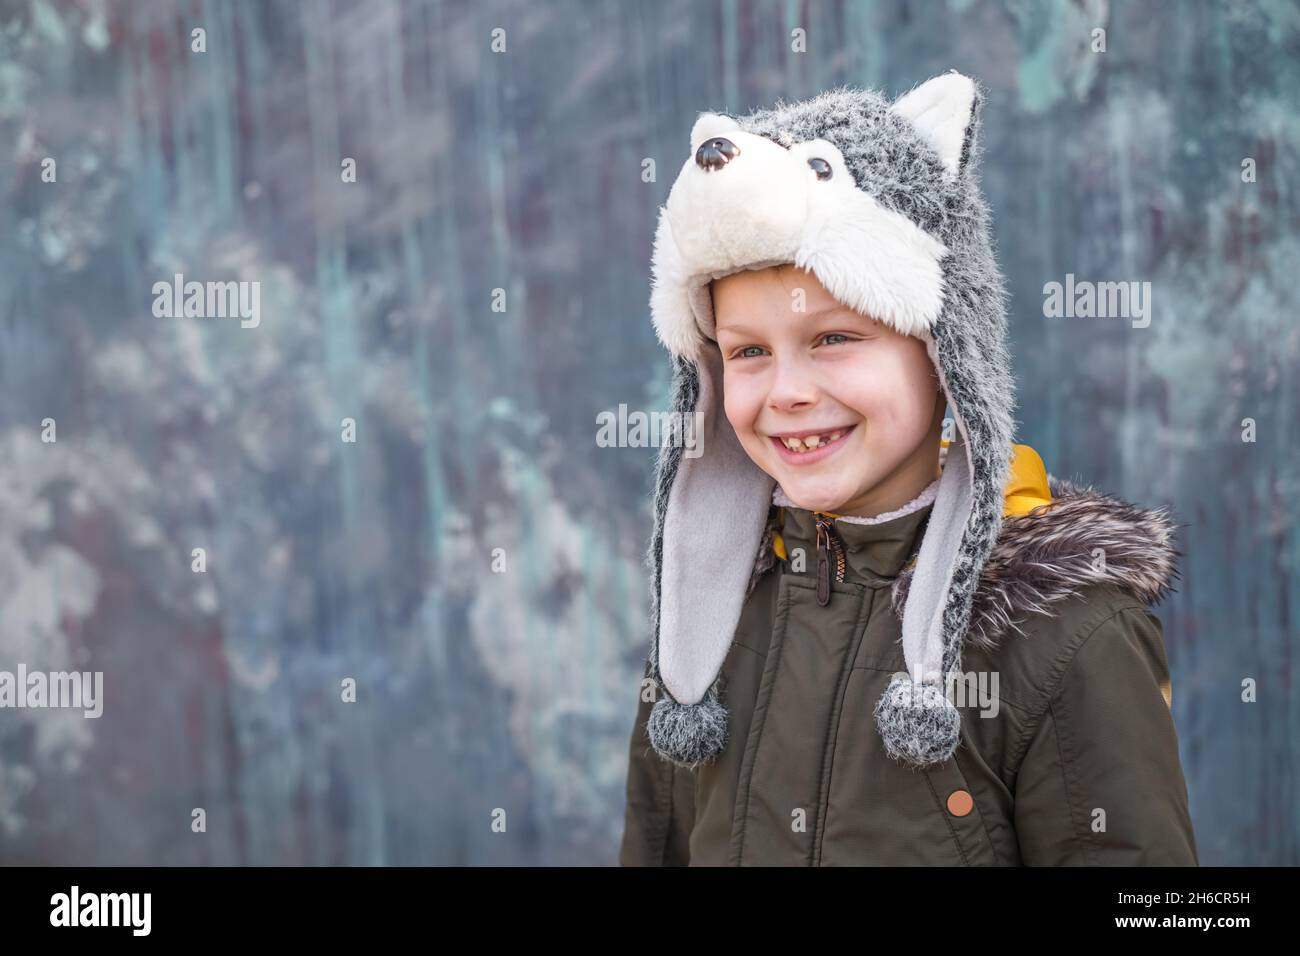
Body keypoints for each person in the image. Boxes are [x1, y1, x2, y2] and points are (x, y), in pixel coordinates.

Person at [618, 73, 1198, 866]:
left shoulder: (1063, 635)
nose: (787, 392)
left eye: (833, 339)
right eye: (748, 351)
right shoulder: (708, 616)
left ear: (942, 353)